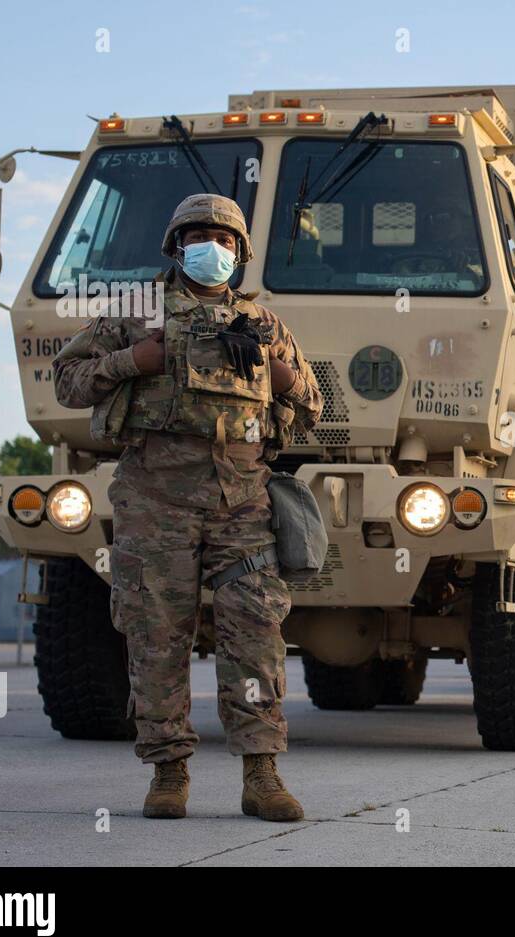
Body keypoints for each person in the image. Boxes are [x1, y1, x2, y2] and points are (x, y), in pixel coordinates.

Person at [53, 193, 323, 821]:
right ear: (177, 247)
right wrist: (131, 362)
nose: (213, 248)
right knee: (156, 638)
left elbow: (312, 410)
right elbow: (67, 381)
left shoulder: (261, 324)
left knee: (255, 637)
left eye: (225, 239)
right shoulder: (134, 316)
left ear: (240, 252)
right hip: (155, 500)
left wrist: (282, 376)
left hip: (242, 503)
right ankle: (168, 772)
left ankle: (261, 775)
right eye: (200, 236)